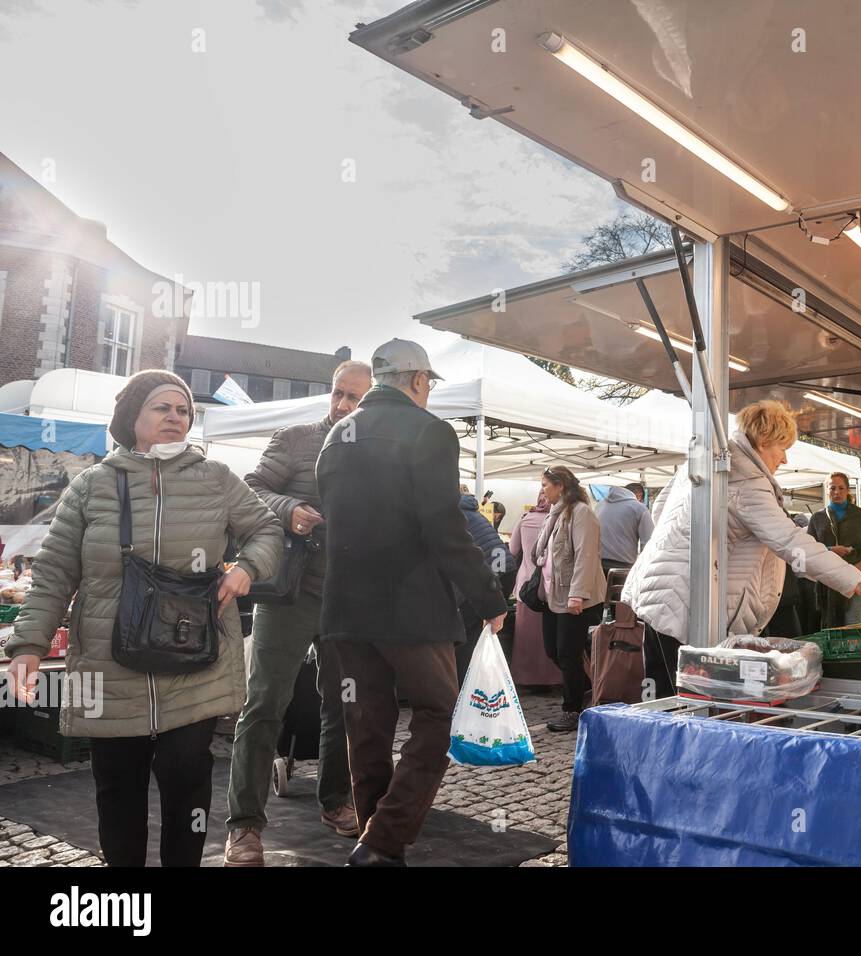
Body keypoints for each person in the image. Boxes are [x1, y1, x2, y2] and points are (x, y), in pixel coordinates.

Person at [2, 370, 281, 866]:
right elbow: (54, 571)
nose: (175, 417)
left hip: (195, 658)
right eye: (162, 407)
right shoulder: (91, 486)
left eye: (184, 411)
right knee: (118, 789)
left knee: (187, 780)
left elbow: (266, 529)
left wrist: (247, 568)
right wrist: (27, 645)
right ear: (132, 416)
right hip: (107, 666)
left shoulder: (216, 478)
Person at [316, 339, 506, 867]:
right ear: (420, 381)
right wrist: (490, 597)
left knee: (367, 726)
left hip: (347, 611)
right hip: (411, 608)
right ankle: (384, 837)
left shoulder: (337, 435)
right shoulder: (430, 431)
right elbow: (445, 529)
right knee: (443, 713)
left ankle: (376, 841)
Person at [622, 400, 861, 698]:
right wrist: (857, 581)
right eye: (782, 448)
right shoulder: (746, 480)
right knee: (686, 702)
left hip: (660, 592)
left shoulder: (704, 462)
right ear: (764, 441)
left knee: (665, 696)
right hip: (686, 604)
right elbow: (789, 541)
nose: (783, 459)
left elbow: (660, 510)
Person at [223, 360, 372, 867]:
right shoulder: (294, 438)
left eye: (355, 398)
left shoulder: (376, 455)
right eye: (339, 393)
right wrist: (289, 510)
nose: (343, 405)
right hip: (287, 590)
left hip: (346, 597)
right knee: (264, 702)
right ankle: (244, 826)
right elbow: (250, 489)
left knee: (344, 706)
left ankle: (334, 800)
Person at [534, 465, 605, 732]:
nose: (543, 490)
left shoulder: (581, 513)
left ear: (560, 485)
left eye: (545, 485)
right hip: (553, 595)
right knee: (554, 650)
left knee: (568, 653)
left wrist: (577, 595)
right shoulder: (555, 513)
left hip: (575, 597)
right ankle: (586, 689)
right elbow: (546, 552)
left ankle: (572, 709)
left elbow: (586, 555)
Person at [456, 485, 517, 684]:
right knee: (482, 631)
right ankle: (483, 679)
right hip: (504, 569)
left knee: (468, 631)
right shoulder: (469, 509)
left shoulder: (451, 511)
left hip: (488, 573)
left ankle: (468, 686)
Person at [508, 492, 564, 687]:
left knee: (526, 636)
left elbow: (513, 550)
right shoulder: (562, 518)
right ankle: (554, 678)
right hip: (552, 587)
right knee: (549, 636)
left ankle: (525, 678)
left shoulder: (525, 519)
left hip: (527, 586)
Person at [808, 472, 861, 626]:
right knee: (832, 627)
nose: (837, 492)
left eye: (841, 488)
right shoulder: (817, 518)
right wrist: (830, 549)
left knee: (854, 626)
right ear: (826, 490)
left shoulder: (860, 515)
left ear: (847, 490)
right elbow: (809, 548)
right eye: (832, 488)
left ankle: (854, 650)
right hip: (829, 581)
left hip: (858, 577)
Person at [596, 482, 654, 575]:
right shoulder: (639, 508)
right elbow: (648, 542)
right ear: (639, 495)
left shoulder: (600, 505)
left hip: (597, 564)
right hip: (623, 568)